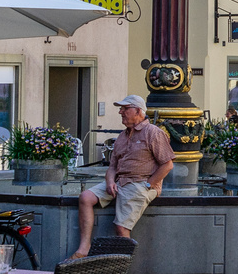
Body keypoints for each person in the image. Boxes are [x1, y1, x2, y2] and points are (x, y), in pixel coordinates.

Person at [73, 95, 173, 257]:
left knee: (121, 228)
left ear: (139, 111)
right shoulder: (122, 136)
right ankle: (84, 248)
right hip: (120, 181)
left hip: (140, 183)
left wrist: (148, 185)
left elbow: (168, 164)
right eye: (121, 108)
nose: (121, 112)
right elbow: (112, 166)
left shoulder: (153, 133)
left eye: (125, 109)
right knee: (85, 197)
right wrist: (110, 181)